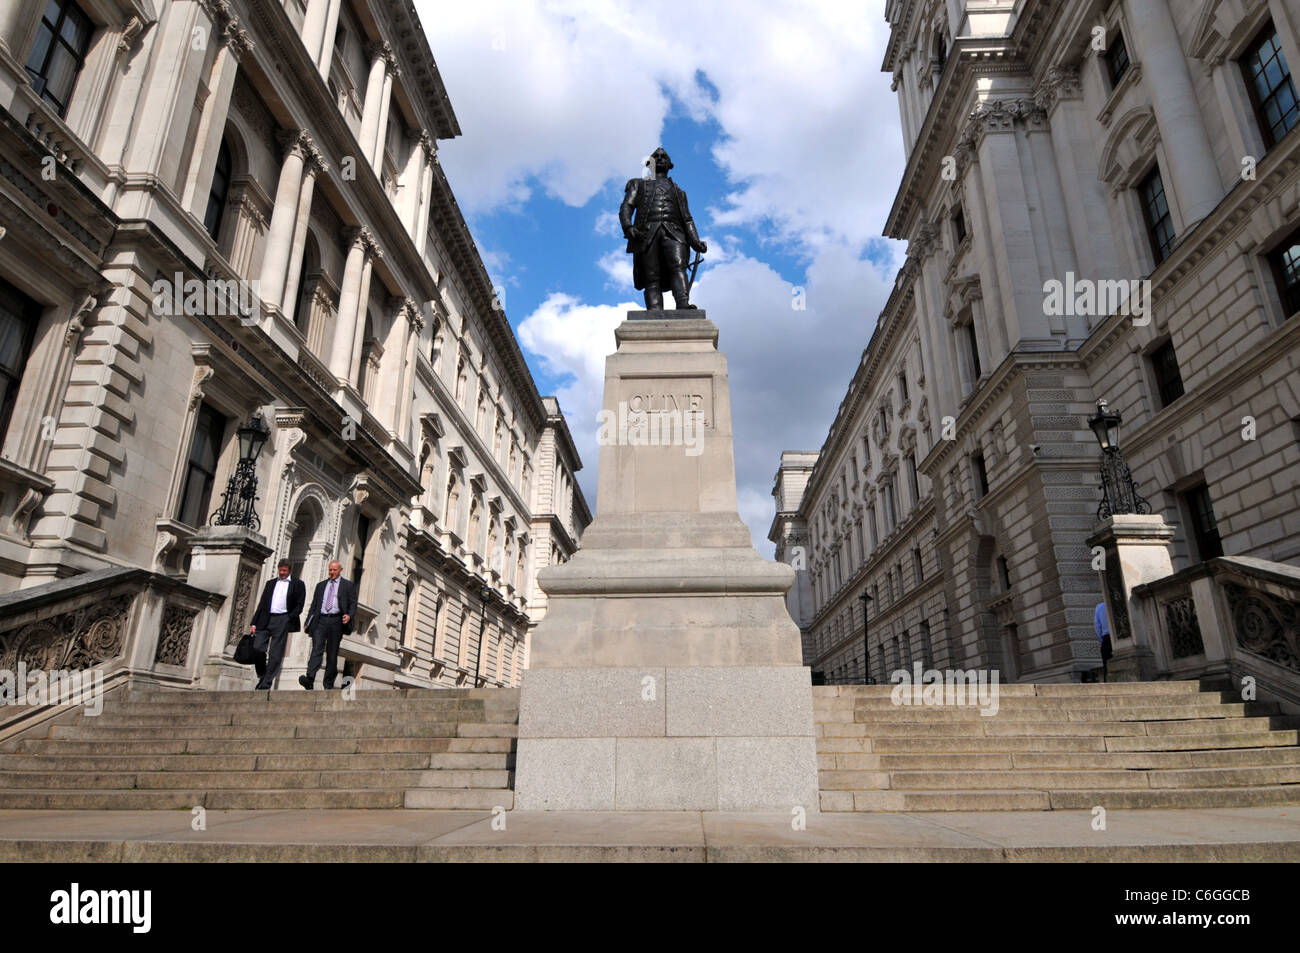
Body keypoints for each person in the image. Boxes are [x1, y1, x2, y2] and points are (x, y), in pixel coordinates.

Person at [619, 147, 707, 311]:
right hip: (646, 233)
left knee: (678, 265)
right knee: (651, 275)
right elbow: (627, 206)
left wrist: (695, 241)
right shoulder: (637, 184)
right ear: (649, 163)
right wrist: (628, 226)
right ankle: (654, 310)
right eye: (655, 156)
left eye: (663, 157)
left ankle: (682, 304)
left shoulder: (679, 192)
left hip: (674, 231)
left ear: (669, 164)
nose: (659, 158)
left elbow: (687, 218)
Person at [249, 559, 306, 690]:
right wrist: (254, 622)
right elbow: (262, 604)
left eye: (285, 571)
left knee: (275, 653)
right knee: (257, 647)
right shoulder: (270, 584)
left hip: (283, 620)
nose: (282, 573)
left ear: (289, 570)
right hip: (266, 618)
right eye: (280, 570)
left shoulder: (298, 584)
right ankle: (262, 672)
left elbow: (299, 605)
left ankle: (266, 683)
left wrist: (289, 618)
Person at [300, 560, 357, 690]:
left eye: (334, 570)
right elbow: (314, 605)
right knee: (316, 649)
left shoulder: (348, 585)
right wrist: (308, 622)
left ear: (340, 570)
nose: (331, 572)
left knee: (332, 653)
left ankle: (328, 683)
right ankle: (310, 678)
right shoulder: (321, 585)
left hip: (336, 621)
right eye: (330, 570)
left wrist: (349, 615)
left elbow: (353, 603)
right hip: (321, 620)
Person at [1094, 601, 1112, 682]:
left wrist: (1101, 639)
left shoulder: (1100, 607)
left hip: (1106, 637)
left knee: (1106, 665)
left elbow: (1097, 625)